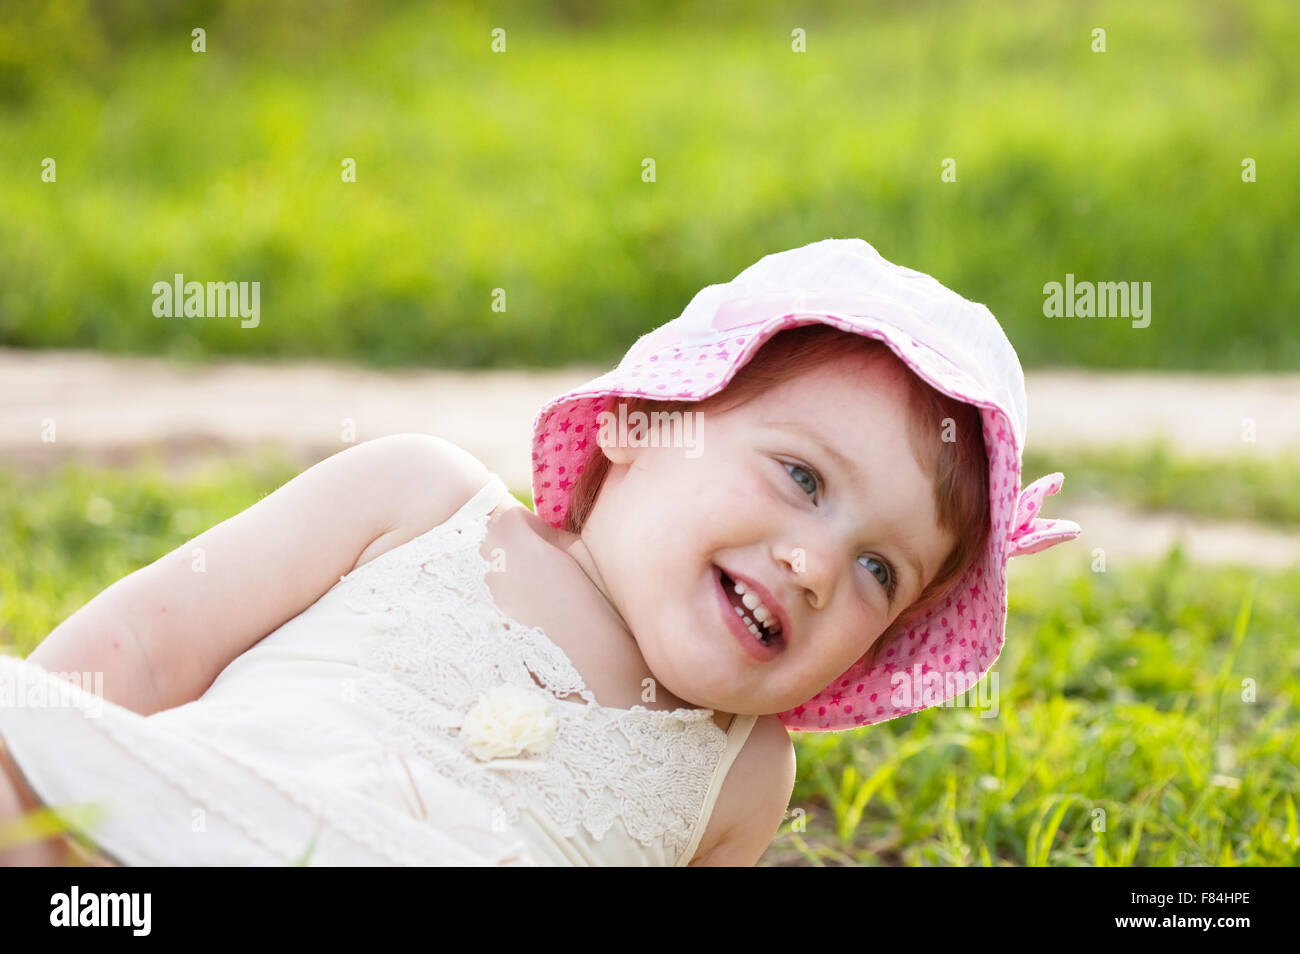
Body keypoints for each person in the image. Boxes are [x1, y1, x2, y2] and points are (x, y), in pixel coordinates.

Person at [0, 238, 1080, 866]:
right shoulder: (420, 499)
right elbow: (140, 644)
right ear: (641, 419)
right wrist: (47, 748)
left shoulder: (742, 769)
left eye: (876, 572)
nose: (812, 563)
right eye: (800, 477)